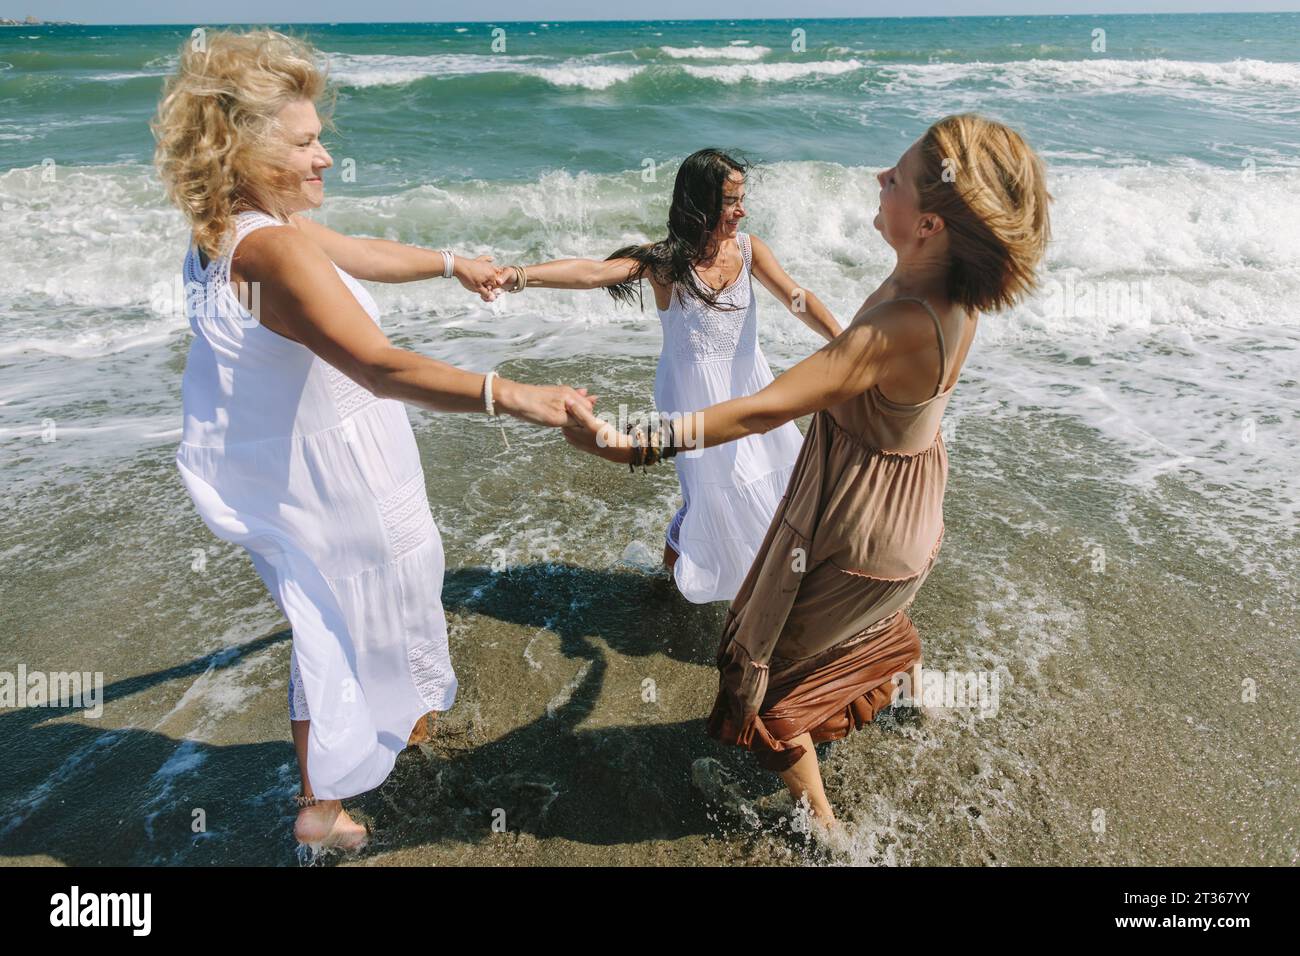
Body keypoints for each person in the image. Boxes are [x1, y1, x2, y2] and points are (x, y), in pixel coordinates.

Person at [151, 28, 595, 851]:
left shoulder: (232, 232)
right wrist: (517, 396)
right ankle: (342, 793)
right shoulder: (275, 249)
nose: (325, 158)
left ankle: (346, 785)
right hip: (349, 485)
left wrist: (452, 261)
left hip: (313, 474)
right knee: (370, 622)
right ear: (241, 147)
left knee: (332, 630)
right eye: (306, 142)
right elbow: (381, 367)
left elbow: (353, 253)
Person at [561, 114, 1051, 829]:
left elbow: (760, 410)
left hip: (862, 521)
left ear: (930, 228)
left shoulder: (897, 325)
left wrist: (629, 442)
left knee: (761, 662)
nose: (880, 178)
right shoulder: (947, 291)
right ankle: (915, 695)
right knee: (862, 616)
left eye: (899, 178)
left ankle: (822, 829)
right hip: (906, 510)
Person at [489, 150, 840, 603]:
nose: (741, 210)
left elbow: (797, 296)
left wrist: (845, 342)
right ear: (700, 204)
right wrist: (517, 276)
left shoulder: (750, 251)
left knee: (781, 478)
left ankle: (773, 584)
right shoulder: (666, 263)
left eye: (742, 198)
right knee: (713, 495)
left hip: (750, 389)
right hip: (694, 399)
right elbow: (593, 273)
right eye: (730, 201)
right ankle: (675, 578)